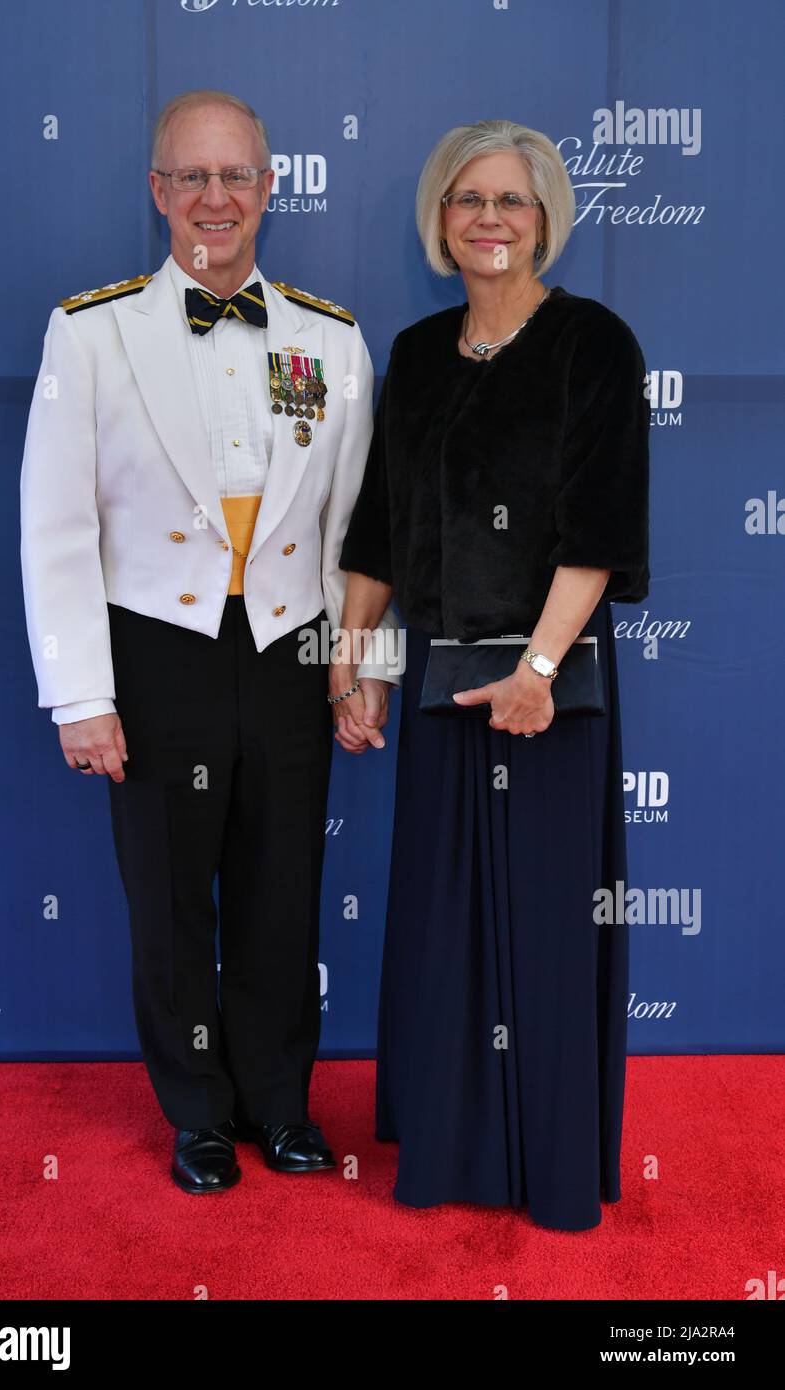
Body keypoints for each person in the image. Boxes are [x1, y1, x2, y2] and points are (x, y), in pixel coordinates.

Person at [19, 88, 398, 1196]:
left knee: (284, 888)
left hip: (289, 651)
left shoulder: (330, 340)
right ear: (158, 192)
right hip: (155, 652)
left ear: (269, 188)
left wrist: (360, 674)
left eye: (235, 176)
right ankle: (195, 1114)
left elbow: (361, 531)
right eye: (191, 176)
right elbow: (55, 525)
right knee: (173, 895)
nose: (214, 198)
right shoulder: (90, 331)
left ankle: (279, 1105)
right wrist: (79, 696)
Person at [332, 119, 650, 1231]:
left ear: (545, 219)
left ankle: (546, 1163)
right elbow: (380, 530)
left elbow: (600, 528)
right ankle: (454, 1142)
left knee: (545, 930)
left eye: (510, 201)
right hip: (433, 684)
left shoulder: (593, 344)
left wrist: (538, 669)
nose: (488, 220)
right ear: (438, 221)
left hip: (549, 696)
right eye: (468, 200)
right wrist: (354, 666)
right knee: (444, 923)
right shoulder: (416, 356)